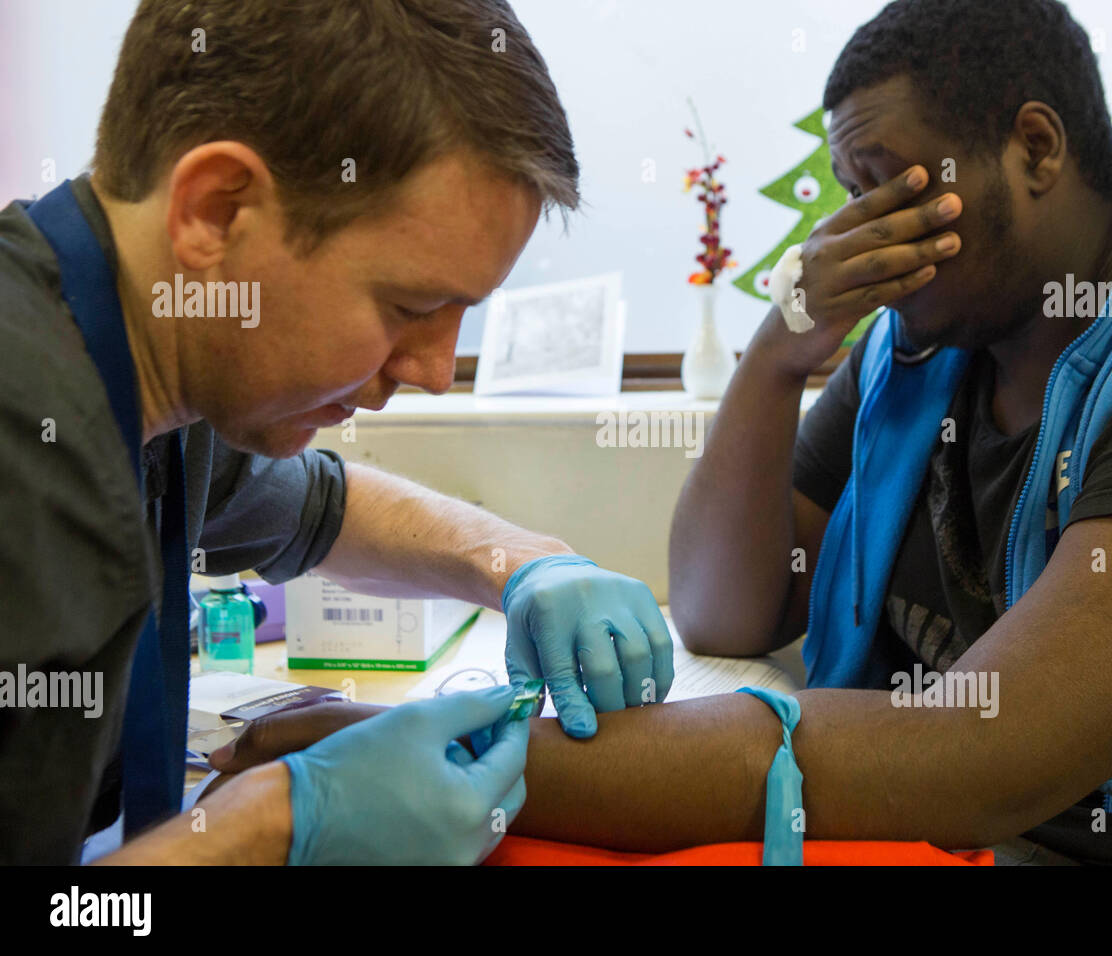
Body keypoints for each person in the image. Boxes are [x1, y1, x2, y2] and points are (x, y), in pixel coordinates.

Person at [222, 0, 1112, 865]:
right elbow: (725, 605)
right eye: (844, 192)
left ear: (1031, 147)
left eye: (882, 186)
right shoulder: (927, 345)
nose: (851, 231)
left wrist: (440, 752)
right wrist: (780, 348)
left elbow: (991, 753)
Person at [0, 0, 673, 866]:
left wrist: (525, 562)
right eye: (412, 307)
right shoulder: (30, 448)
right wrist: (269, 825)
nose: (434, 370)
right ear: (214, 212)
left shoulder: (164, 375)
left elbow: (315, 503)